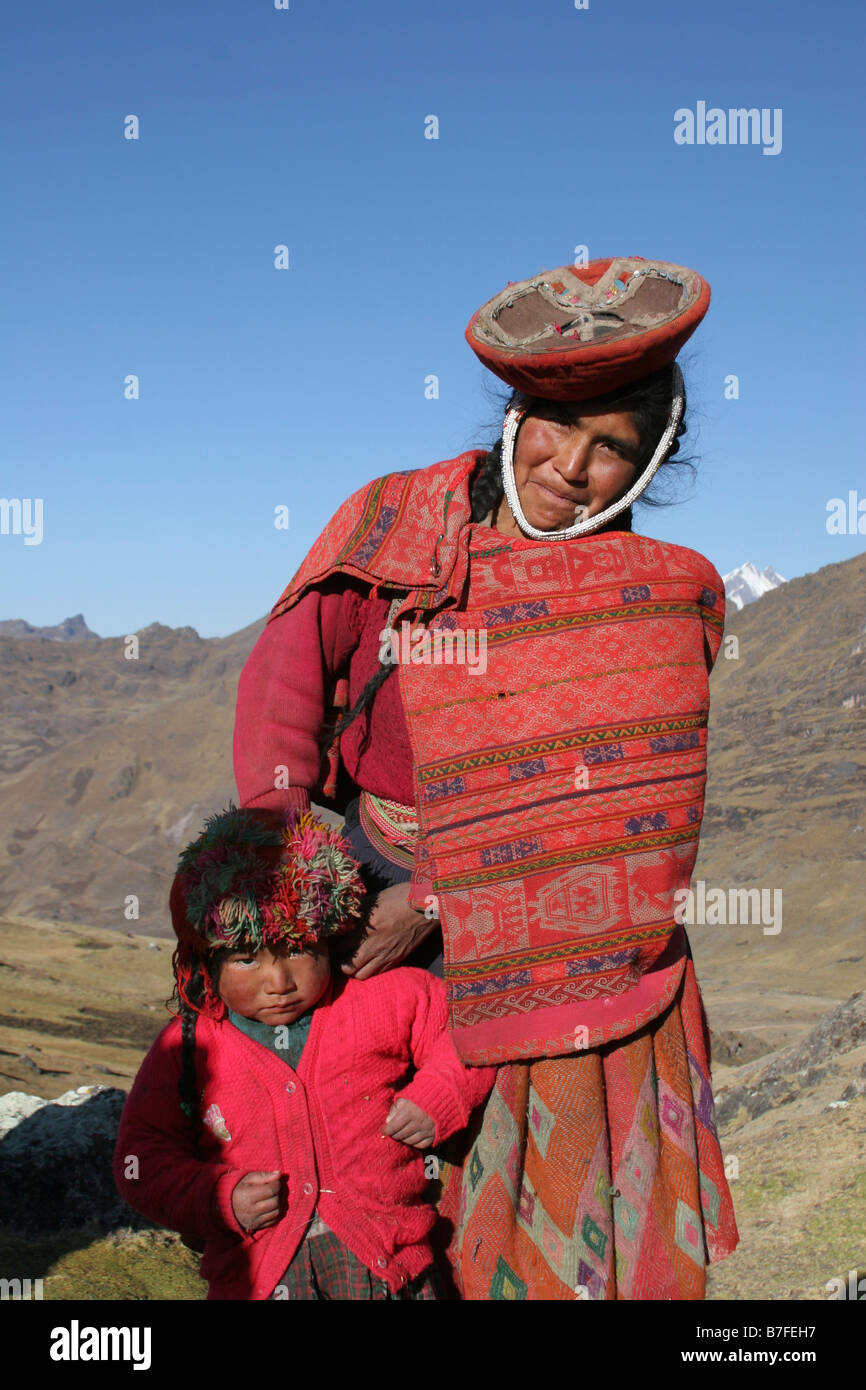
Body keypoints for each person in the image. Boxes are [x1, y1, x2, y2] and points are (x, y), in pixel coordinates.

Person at [232, 256, 740, 1299]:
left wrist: (435, 901)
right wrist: (297, 877)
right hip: (350, 880)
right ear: (514, 414)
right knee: (343, 1164)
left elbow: (630, 821)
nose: (570, 465)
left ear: (644, 470)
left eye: (612, 449)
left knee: (512, 1203)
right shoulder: (394, 528)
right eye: (555, 423)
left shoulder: (645, 600)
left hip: (553, 937)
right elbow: (286, 684)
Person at [113, 805, 495, 1300]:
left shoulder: (387, 998)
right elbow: (140, 1160)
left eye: (297, 950)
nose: (278, 983)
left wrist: (440, 1095)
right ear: (205, 960)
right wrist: (219, 1197)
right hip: (258, 1280)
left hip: (391, 1274)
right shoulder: (184, 1046)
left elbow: (464, 1032)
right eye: (247, 959)